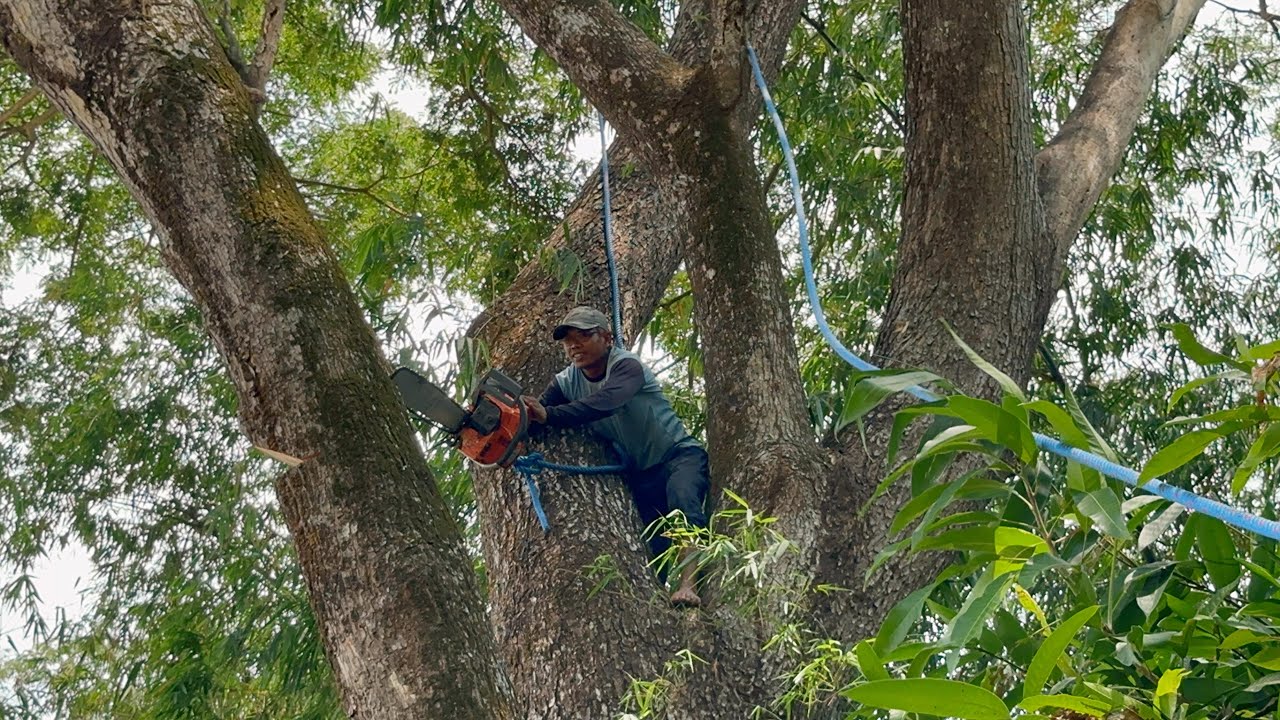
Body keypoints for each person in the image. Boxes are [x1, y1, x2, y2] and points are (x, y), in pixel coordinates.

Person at [521, 306, 710, 608]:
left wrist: (550, 414)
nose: (574, 345)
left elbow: (608, 401)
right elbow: (536, 420)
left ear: (607, 338)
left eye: (584, 336)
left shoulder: (626, 366)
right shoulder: (566, 382)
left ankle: (689, 585)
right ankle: (658, 607)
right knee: (651, 542)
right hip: (642, 475)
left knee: (683, 501)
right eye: (568, 340)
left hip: (678, 456)